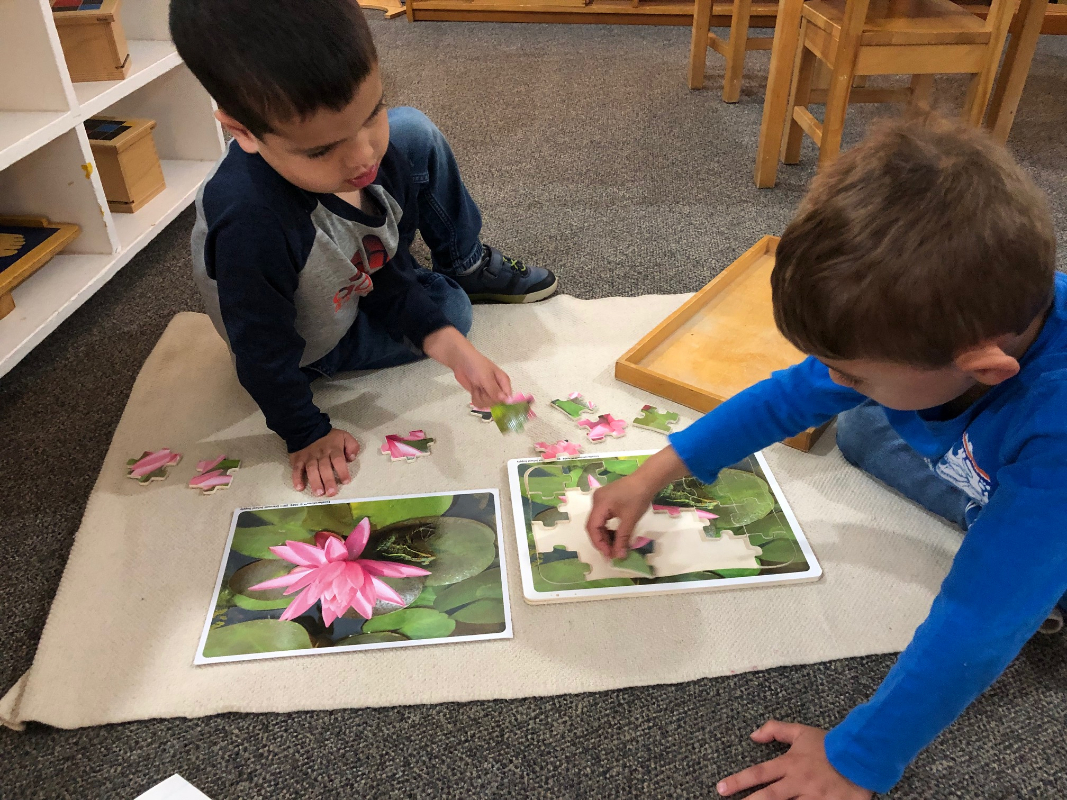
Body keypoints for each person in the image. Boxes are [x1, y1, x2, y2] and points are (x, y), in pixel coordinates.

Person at [586, 116, 1067, 799]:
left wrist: (858, 756)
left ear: (983, 368)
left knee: (1007, 577)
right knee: (866, 428)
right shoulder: (941, 318)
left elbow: (978, 617)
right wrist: (656, 471)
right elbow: (792, 395)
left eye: (854, 372)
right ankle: (1019, 529)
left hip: (1049, 468)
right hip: (1009, 452)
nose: (832, 380)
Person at [170, 0, 557, 497]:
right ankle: (444, 287)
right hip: (313, 339)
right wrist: (304, 433)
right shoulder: (253, 223)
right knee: (452, 309)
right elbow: (260, 352)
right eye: (319, 149)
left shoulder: (365, 156)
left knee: (413, 130)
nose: (363, 155)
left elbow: (379, 261)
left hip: (350, 268)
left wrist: (451, 350)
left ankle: (464, 264)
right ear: (241, 130)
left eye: (372, 112)